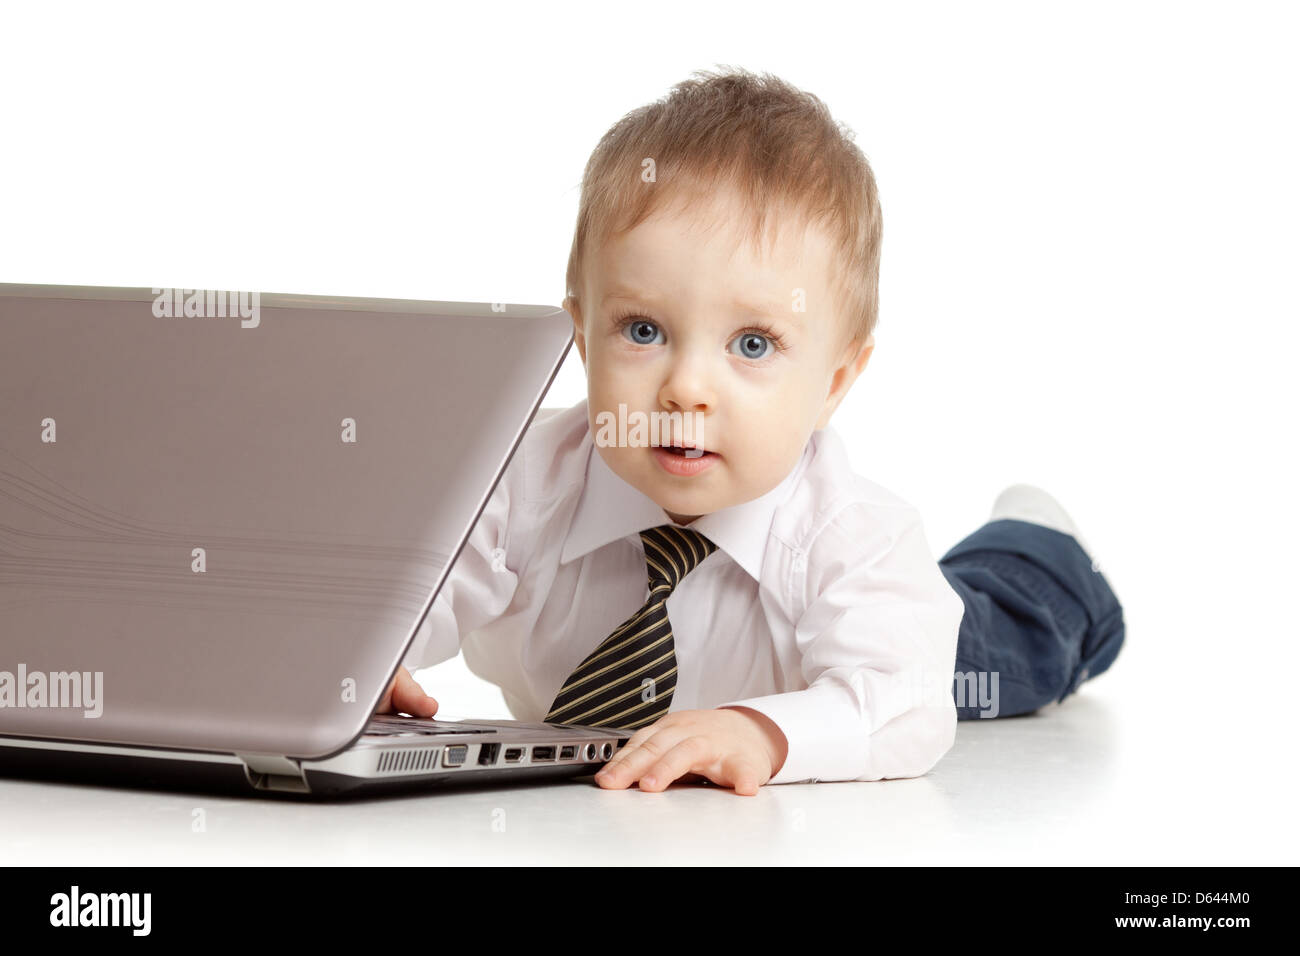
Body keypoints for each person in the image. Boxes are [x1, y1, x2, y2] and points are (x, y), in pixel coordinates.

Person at [381, 67, 1125, 795]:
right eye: (643, 329)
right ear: (579, 336)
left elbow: (905, 702)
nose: (687, 388)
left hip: (835, 660)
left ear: (834, 381)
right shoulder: (516, 481)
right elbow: (408, 587)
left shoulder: (851, 537)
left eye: (753, 345)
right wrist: (367, 666)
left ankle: (1039, 550)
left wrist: (764, 732)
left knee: (980, 647)